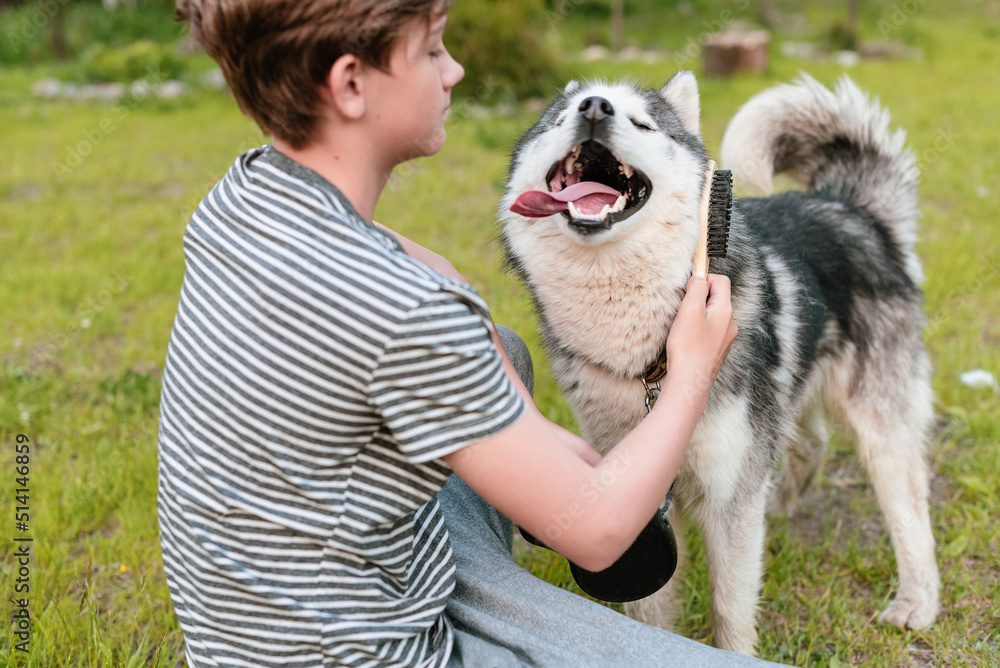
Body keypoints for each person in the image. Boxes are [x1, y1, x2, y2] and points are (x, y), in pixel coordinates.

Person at [157, 1, 779, 666]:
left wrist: (545, 442)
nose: (453, 71)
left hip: (248, 627)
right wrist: (688, 373)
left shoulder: (243, 189)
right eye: (431, 52)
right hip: (357, 652)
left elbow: (428, 280)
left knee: (501, 349)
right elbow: (599, 536)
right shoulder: (406, 314)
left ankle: (508, 584)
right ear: (350, 85)